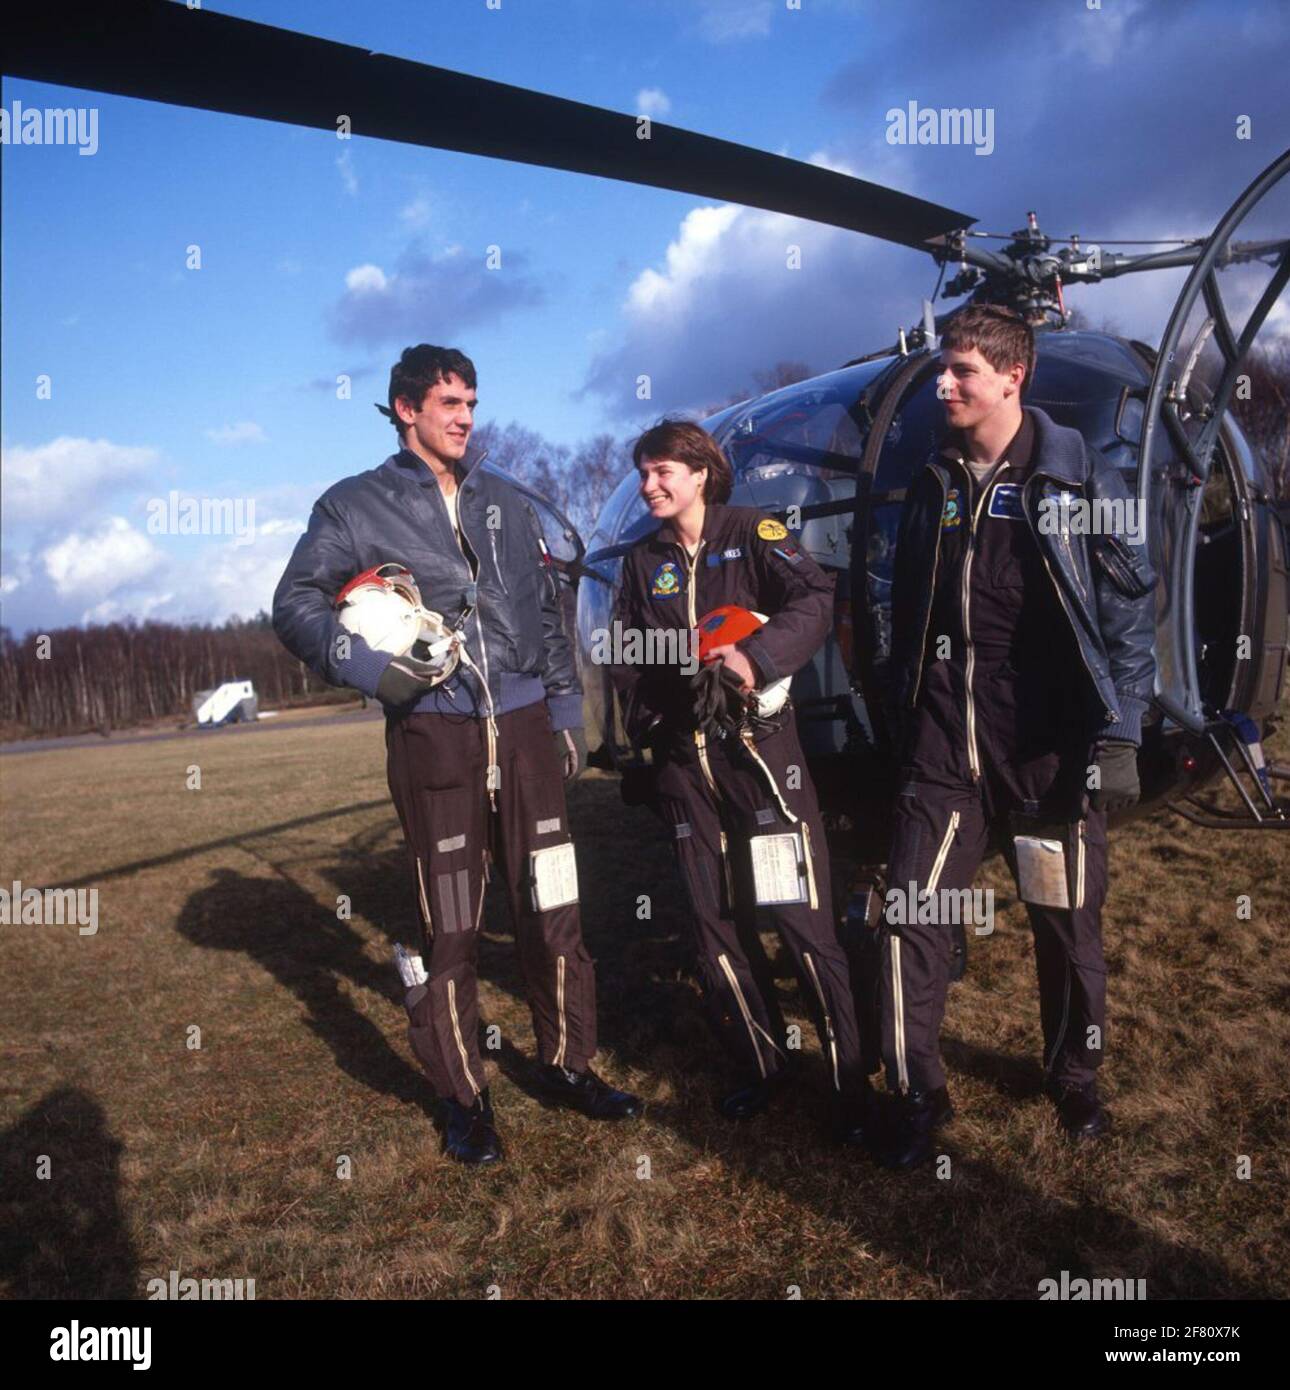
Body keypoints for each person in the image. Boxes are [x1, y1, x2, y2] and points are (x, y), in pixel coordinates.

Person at [272, 344, 641, 1166]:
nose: (465, 417)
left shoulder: (507, 499)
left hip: (523, 725)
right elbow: (293, 604)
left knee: (553, 902)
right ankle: (463, 1095)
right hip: (433, 728)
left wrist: (564, 711)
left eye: (471, 401)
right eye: (447, 402)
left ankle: (567, 1064)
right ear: (406, 410)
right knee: (449, 922)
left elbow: (546, 614)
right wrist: (376, 673)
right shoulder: (353, 506)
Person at [874, 304, 1156, 1168]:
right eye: (940, 372)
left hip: (1046, 745)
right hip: (943, 744)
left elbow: (1129, 616)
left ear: (1012, 376)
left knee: (1066, 922)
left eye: (959, 371)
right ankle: (919, 1090)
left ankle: (1075, 1078)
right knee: (908, 919)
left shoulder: (1078, 482)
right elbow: (907, 611)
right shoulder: (932, 485)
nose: (943, 386)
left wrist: (1119, 735)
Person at [610, 419, 874, 1143]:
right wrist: (654, 728)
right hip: (685, 772)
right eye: (643, 473)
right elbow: (625, 656)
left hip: (759, 763)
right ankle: (763, 1064)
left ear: (701, 472)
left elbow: (815, 599)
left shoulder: (753, 531)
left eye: (662, 470)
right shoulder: (642, 563)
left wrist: (752, 662)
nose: (649, 485)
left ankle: (852, 1081)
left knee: (799, 920)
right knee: (712, 928)